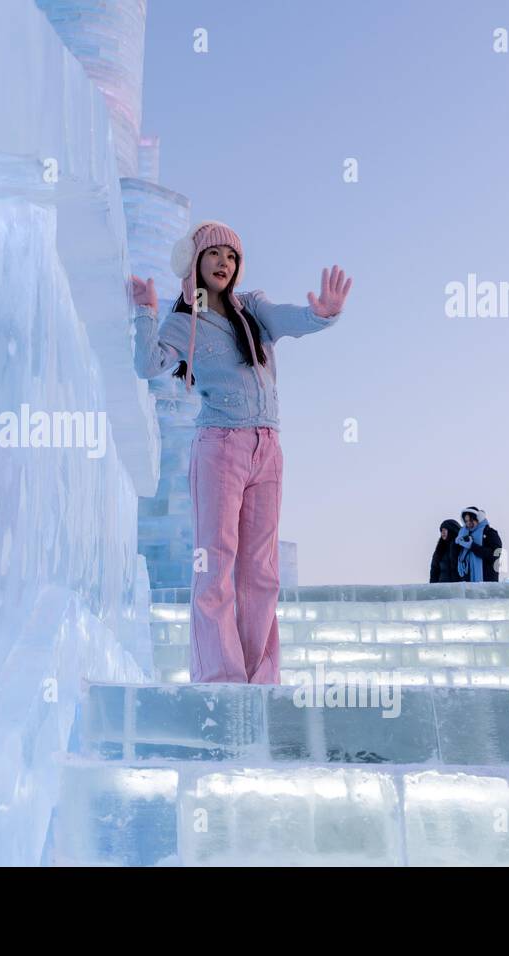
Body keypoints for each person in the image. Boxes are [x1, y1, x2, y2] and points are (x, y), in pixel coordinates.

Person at [129, 220, 352, 684]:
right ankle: (221, 677)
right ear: (194, 262)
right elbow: (148, 364)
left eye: (230, 256)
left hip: (267, 448)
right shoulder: (183, 321)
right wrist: (146, 313)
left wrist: (323, 315)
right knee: (215, 563)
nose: (223, 263)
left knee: (261, 570)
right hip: (220, 447)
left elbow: (293, 319)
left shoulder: (254, 309)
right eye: (213, 255)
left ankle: (259, 676)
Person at [455, 506, 504, 582]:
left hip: (487, 582)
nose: (468, 524)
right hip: (468, 583)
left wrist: (472, 546)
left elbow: (495, 554)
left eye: (471, 520)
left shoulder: (490, 533)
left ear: (478, 519)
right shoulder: (463, 535)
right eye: (466, 521)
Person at [429, 519, 465, 583]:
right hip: (443, 588)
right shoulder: (439, 550)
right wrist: (433, 589)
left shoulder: (463, 546)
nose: (443, 532)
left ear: (452, 530)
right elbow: (434, 572)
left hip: (459, 588)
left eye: (445, 530)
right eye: (441, 530)